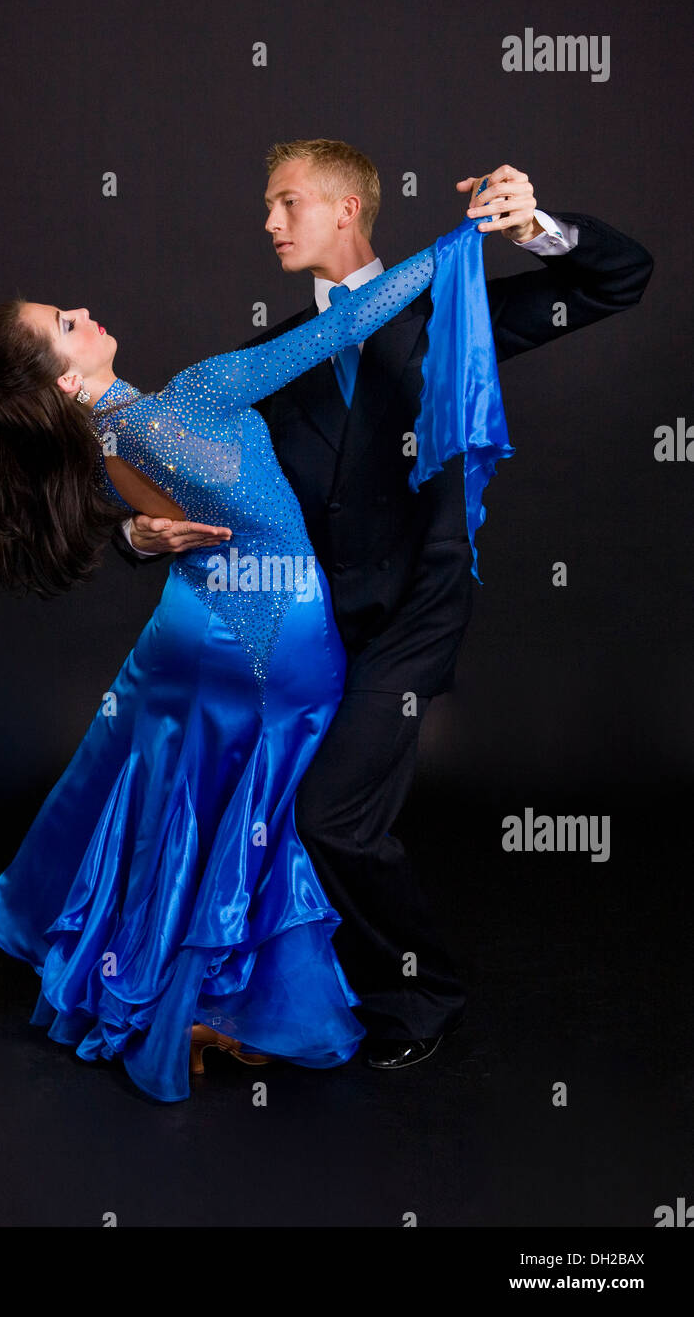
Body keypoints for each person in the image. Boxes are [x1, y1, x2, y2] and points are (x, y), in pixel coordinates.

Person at [0, 192, 513, 1103]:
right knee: (270, 809)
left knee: (187, 797)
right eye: (65, 322)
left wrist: (139, 537)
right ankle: (240, 999)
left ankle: (141, 961)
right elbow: (348, 323)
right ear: (61, 378)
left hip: (195, 637)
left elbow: (154, 518)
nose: (84, 312)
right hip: (279, 638)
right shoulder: (198, 395)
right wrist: (457, 245)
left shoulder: (98, 436)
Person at [112, 142, 655, 1070]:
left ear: (347, 211)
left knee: (332, 817)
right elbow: (163, 460)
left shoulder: (450, 306)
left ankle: (424, 994)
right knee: (266, 807)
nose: (270, 223)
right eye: (268, 206)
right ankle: (271, 999)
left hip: (416, 610)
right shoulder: (271, 355)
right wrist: (135, 535)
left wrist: (538, 227)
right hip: (310, 626)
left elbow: (617, 282)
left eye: (286, 203)